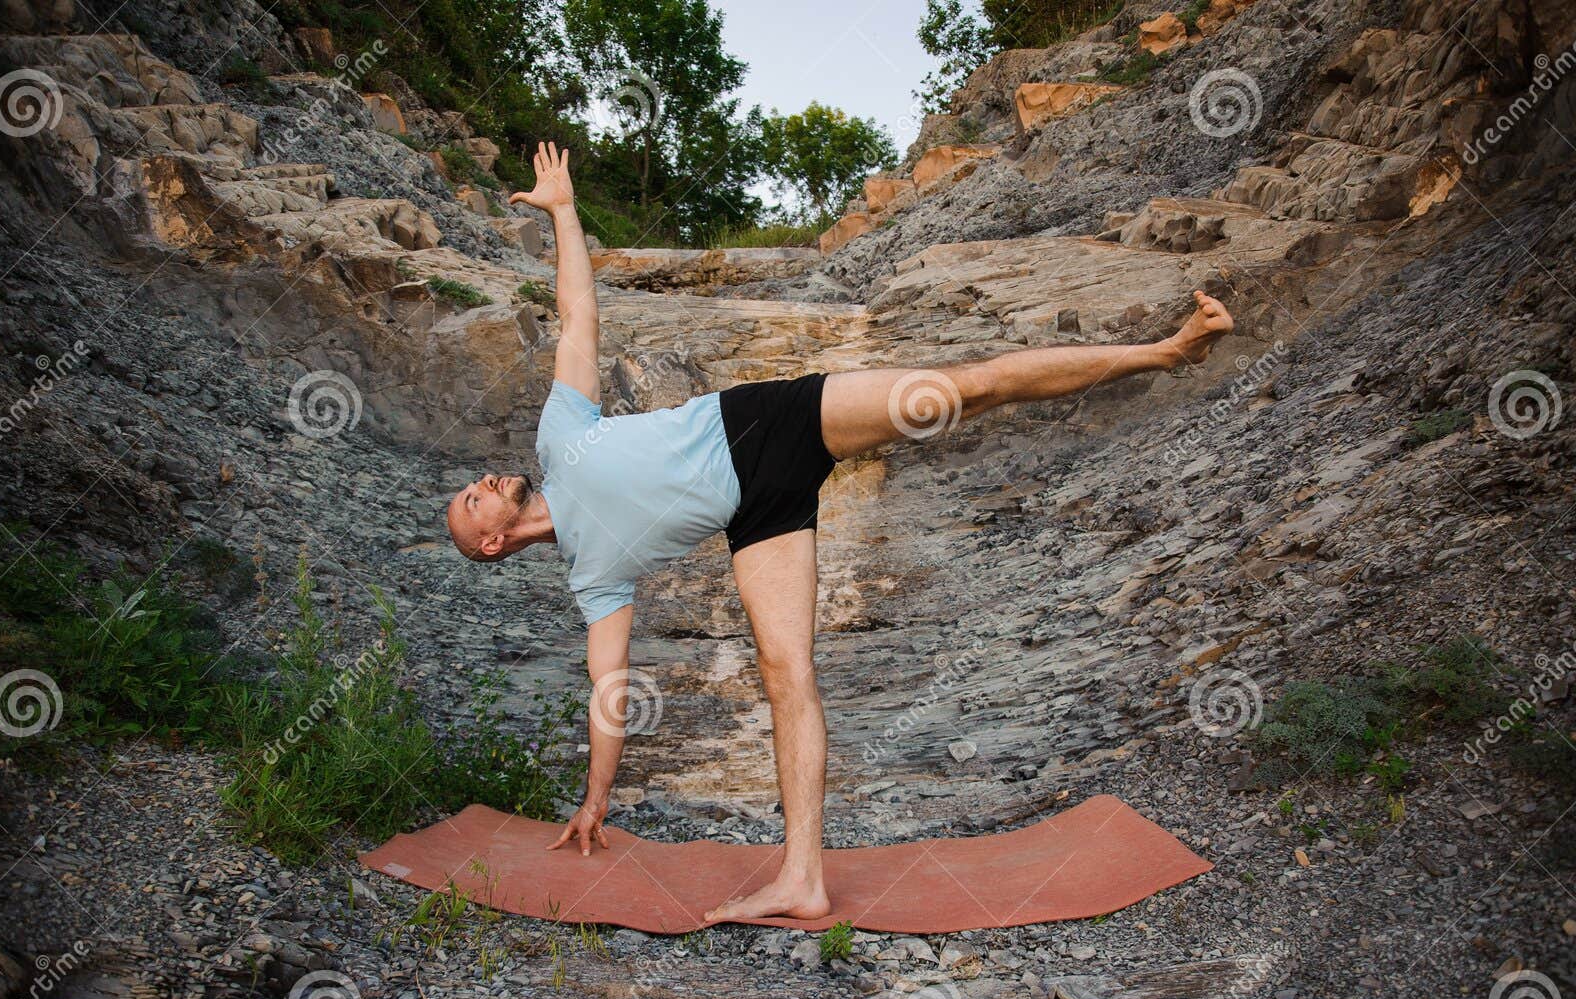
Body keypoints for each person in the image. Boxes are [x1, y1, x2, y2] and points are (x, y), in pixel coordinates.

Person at [446, 141, 1235, 922]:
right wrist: (595, 800)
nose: (482, 483)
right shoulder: (594, 576)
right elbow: (609, 691)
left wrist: (566, 210)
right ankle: (802, 878)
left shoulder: (559, 435)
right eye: (473, 502)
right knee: (787, 674)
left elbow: (579, 312)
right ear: (492, 544)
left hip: (769, 424)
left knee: (967, 389)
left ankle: (1168, 351)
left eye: (474, 485)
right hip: (758, 519)